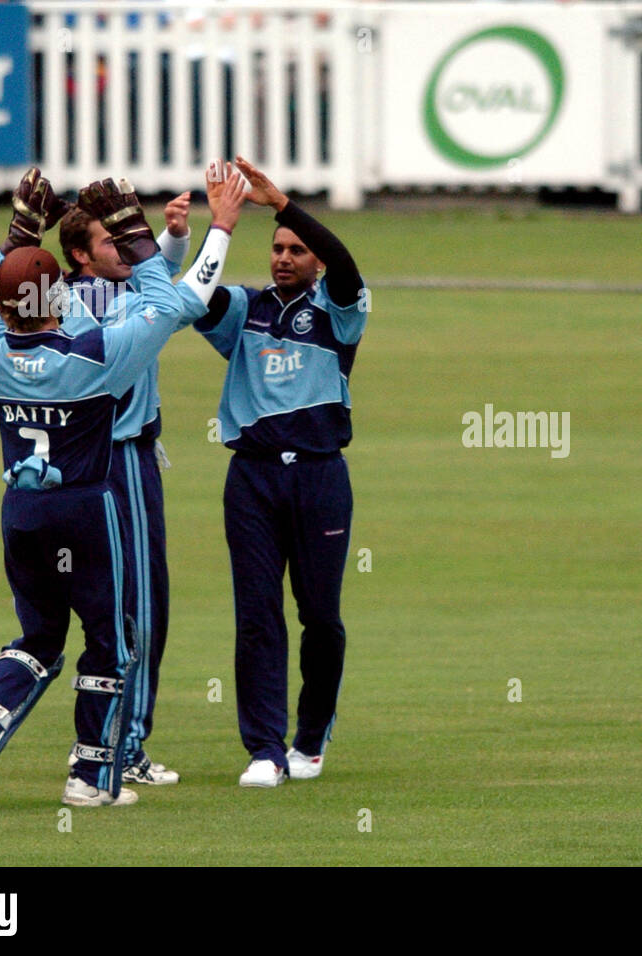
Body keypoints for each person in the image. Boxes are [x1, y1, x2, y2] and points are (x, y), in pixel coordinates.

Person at [0, 168, 245, 807]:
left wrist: (17, 235)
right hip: (88, 506)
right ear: (57, 295)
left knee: (37, 638)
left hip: (20, 510)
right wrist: (136, 233)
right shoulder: (95, 355)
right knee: (112, 639)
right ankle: (91, 778)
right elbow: (170, 306)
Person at [192, 156, 367, 788]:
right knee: (256, 614)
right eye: (277, 249)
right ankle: (264, 748)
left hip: (320, 480)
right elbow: (193, 297)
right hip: (253, 481)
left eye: (296, 249)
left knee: (319, 618)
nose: (285, 257)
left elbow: (344, 261)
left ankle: (311, 736)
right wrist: (221, 225)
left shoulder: (341, 311)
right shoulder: (245, 310)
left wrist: (284, 205)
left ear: (313, 259)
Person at [55, 190, 195, 786]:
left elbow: (153, 274)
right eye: (112, 242)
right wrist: (222, 230)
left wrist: (171, 238)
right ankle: (124, 747)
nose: (127, 250)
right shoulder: (118, 296)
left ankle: (94, 741)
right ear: (84, 256)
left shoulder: (59, 297)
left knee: (96, 611)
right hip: (123, 460)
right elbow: (181, 296)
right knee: (141, 606)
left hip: (69, 467)